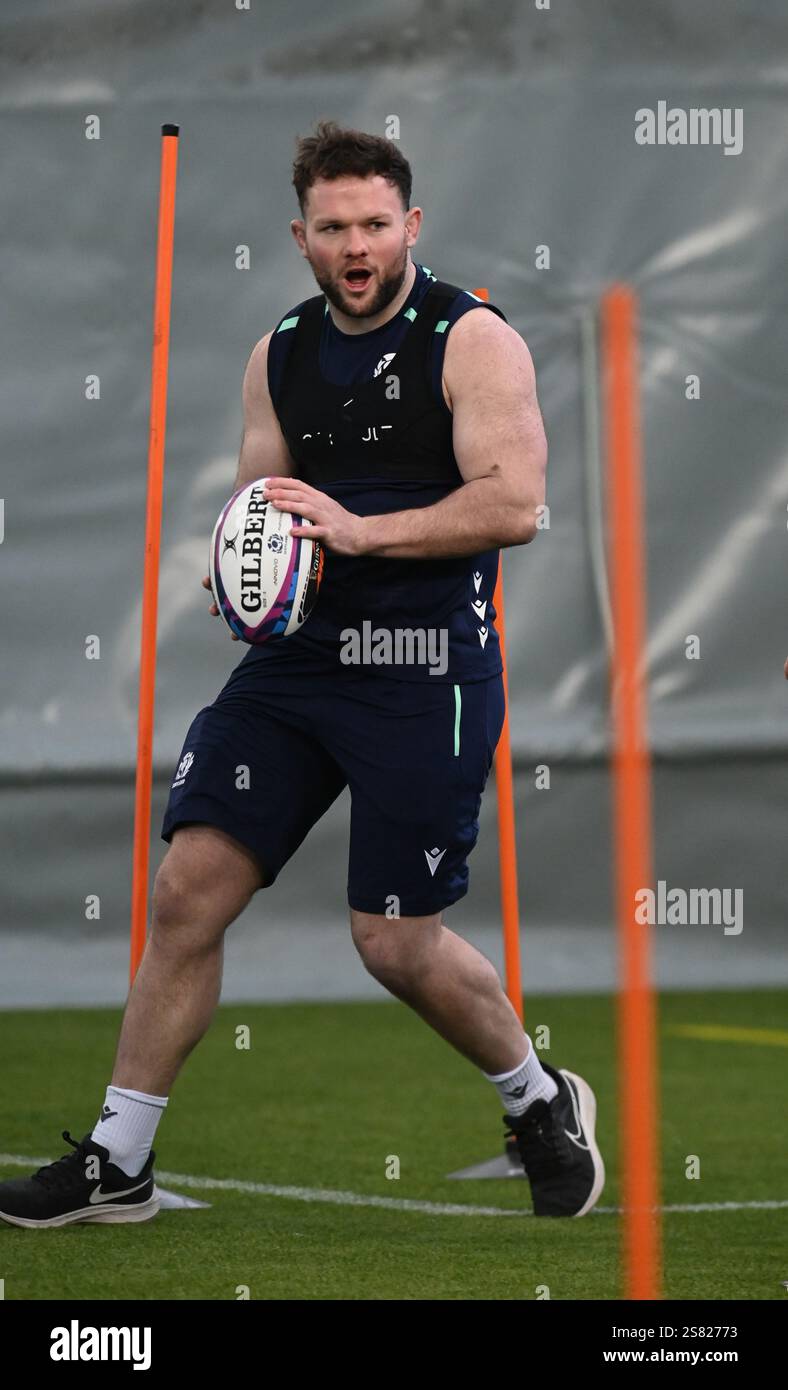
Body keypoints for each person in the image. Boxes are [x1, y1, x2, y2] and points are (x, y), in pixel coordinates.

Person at [0, 121, 603, 1229]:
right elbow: (261, 509)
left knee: (393, 941)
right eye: (334, 228)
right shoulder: (278, 353)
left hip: (426, 667)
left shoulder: (470, 341)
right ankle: (117, 1160)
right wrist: (242, 574)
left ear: (409, 224)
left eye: (376, 223)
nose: (357, 244)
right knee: (188, 890)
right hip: (299, 662)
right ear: (301, 237)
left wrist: (363, 534)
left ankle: (536, 1101)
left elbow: (513, 504)